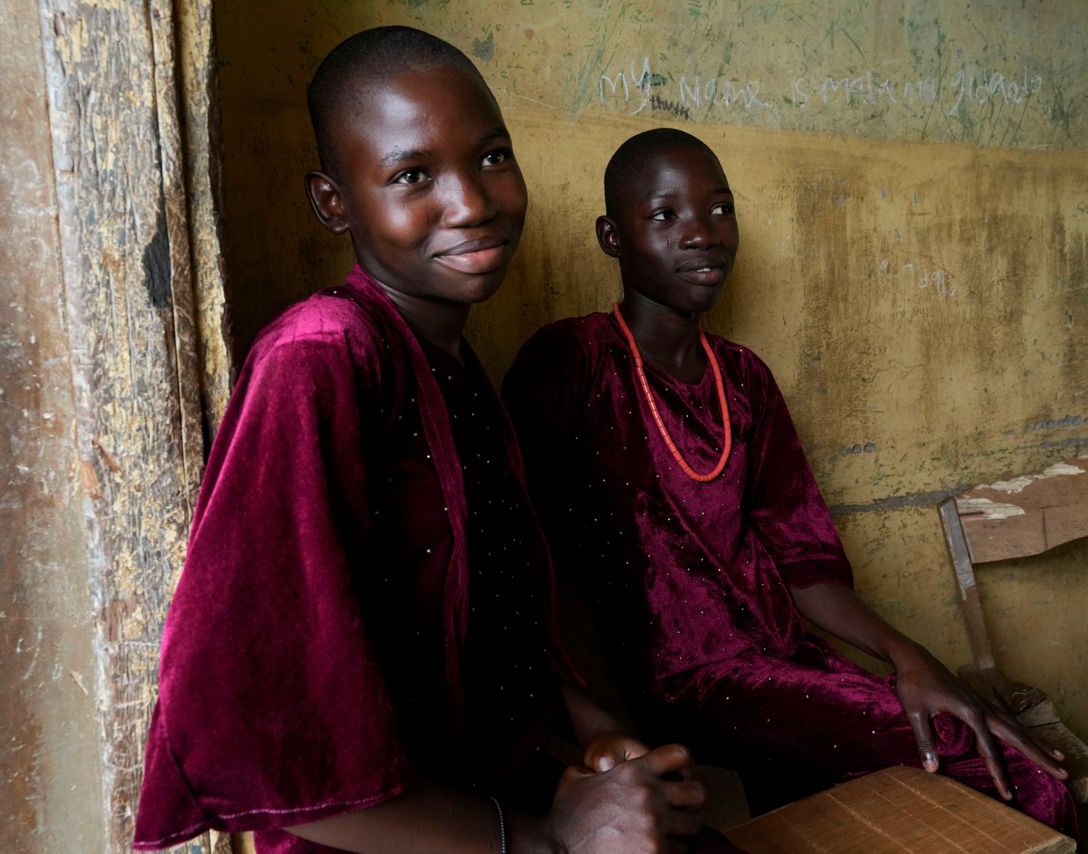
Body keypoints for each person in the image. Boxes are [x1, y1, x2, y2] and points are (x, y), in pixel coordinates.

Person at [132, 31, 711, 854]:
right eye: (413, 175)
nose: (473, 202)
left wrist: (598, 743)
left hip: (504, 792)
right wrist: (550, 836)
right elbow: (264, 753)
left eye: (493, 157)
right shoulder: (322, 357)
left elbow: (495, 625)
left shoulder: (457, 366)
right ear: (334, 203)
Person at [501, 128, 1077, 833]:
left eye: (720, 210)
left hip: (780, 665)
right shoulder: (571, 363)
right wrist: (603, 725)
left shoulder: (742, 378)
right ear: (611, 236)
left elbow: (802, 566)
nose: (703, 235)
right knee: (1016, 779)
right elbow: (531, 564)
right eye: (665, 216)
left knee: (994, 754)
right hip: (681, 685)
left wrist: (909, 659)